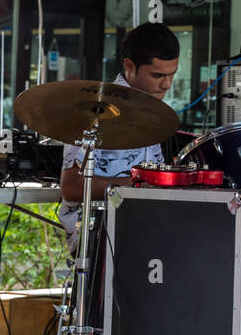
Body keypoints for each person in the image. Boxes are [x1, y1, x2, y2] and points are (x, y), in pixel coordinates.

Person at [57, 22, 179, 248]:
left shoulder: (153, 115)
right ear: (129, 66)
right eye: (157, 75)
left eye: (172, 74)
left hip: (140, 224)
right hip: (94, 233)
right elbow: (72, 187)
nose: (167, 84)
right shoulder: (95, 110)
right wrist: (137, 186)